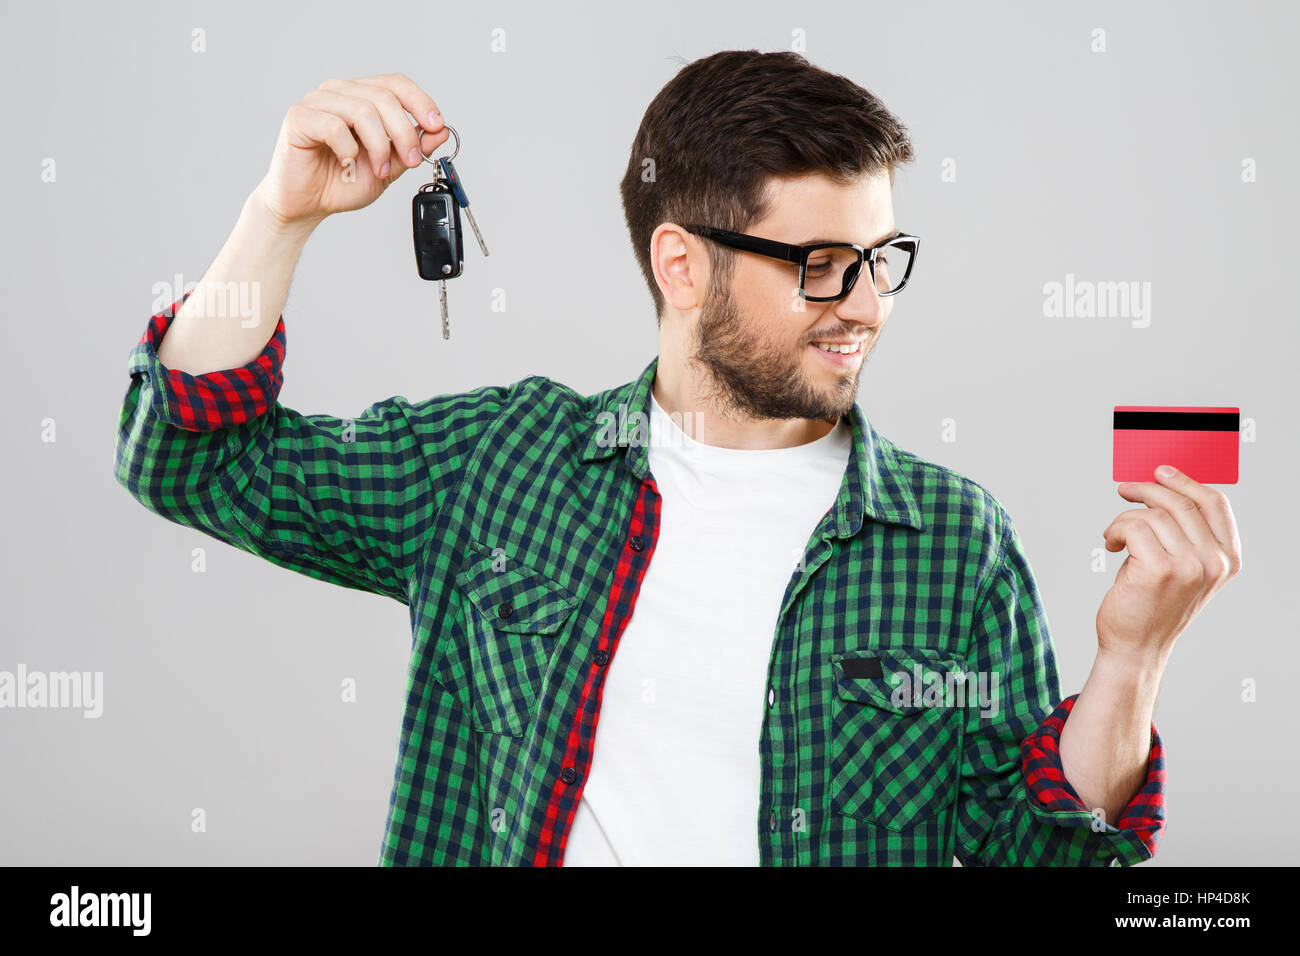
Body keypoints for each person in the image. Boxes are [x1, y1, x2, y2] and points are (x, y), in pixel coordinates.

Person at [115, 51, 1241, 866]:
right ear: (682, 264)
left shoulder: (953, 538)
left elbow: (1035, 858)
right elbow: (188, 458)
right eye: (822, 263)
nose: (865, 306)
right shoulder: (496, 465)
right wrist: (281, 213)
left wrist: (1131, 657)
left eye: (881, 258)